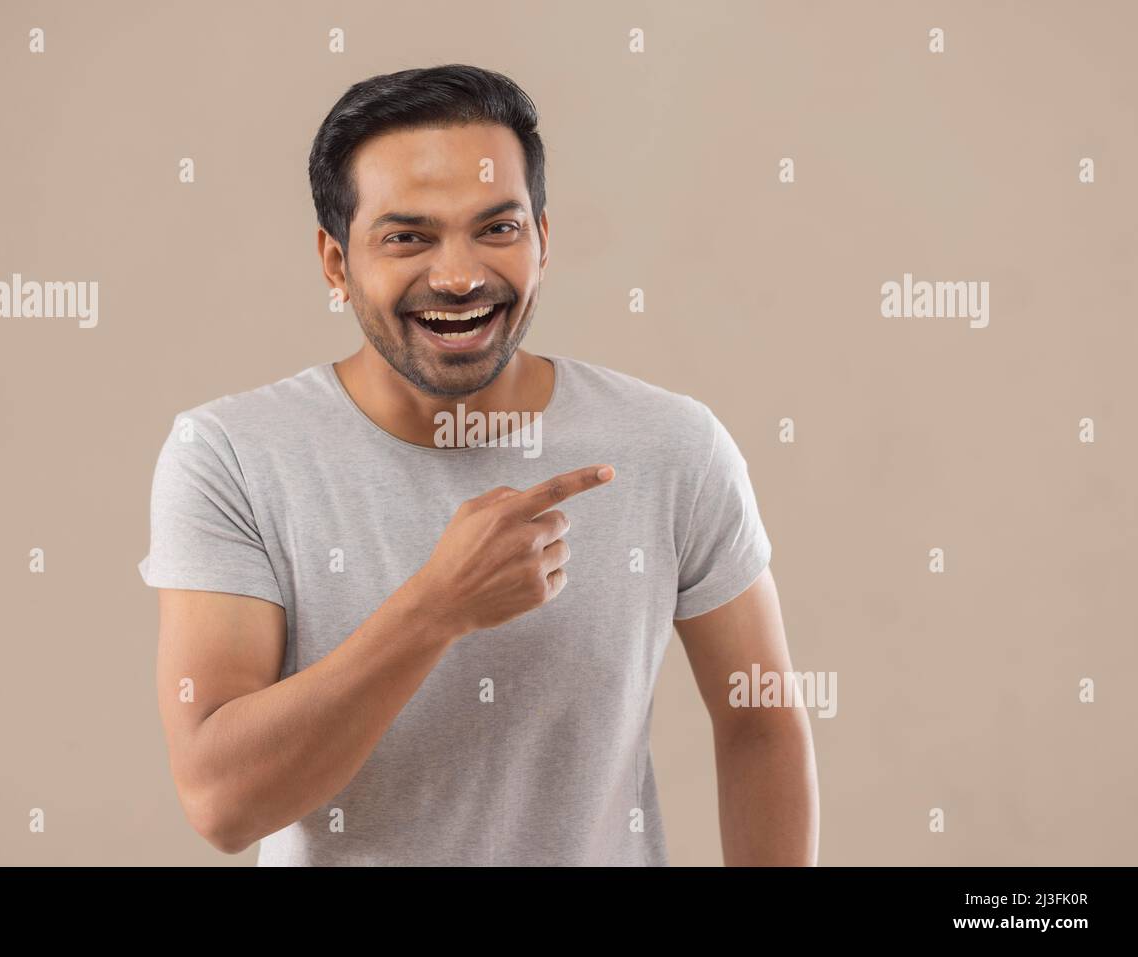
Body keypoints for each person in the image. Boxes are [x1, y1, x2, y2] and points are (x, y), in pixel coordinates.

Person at [138, 64, 817, 866]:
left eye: (497, 229)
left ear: (542, 239)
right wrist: (435, 608)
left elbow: (759, 719)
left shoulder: (670, 444)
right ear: (334, 261)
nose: (460, 276)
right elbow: (223, 803)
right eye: (407, 237)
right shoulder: (230, 456)